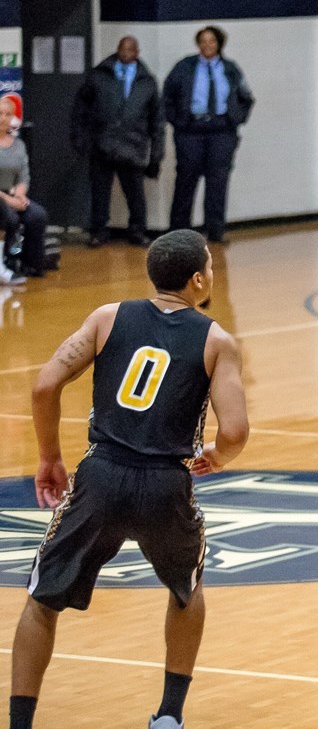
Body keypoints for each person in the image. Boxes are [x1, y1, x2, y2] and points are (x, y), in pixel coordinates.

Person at [8, 229, 250, 729]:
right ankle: (169, 715)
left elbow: (43, 385)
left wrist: (49, 456)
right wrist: (218, 457)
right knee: (185, 588)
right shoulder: (216, 340)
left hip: (101, 475)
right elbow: (236, 431)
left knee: (41, 598)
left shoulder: (107, 317)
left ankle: (20, 722)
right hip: (166, 483)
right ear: (199, 278)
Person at [163, 26, 254, 244]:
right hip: (191, 131)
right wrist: (178, 121)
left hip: (221, 131)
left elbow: (246, 97)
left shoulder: (230, 69)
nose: (207, 46)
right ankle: (179, 232)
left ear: (219, 44)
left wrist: (235, 118)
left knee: (218, 182)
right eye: (203, 41)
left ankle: (215, 230)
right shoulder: (184, 67)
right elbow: (167, 96)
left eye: (211, 41)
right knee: (186, 180)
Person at [71, 36, 163, 248]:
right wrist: (80, 139)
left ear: (137, 53)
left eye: (130, 50)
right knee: (100, 192)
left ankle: (137, 230)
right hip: (102, 144)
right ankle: (99, 231)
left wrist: (156, 154)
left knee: (135, 194)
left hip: (133, 145)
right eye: (123, 49)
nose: (126, 54)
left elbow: (156, 120)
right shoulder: (98, 76)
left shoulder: (147, 82)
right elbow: (81, 109)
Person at [0, 96, 45, 284]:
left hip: (12, 193)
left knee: (37, 215)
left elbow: (24, 174)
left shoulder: (18, 145)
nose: (3, 117)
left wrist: (20, 194)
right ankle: (6, 263)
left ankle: (30, 264)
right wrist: (9, 200)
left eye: (7, 114)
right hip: (1, 196)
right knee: (8, 217)